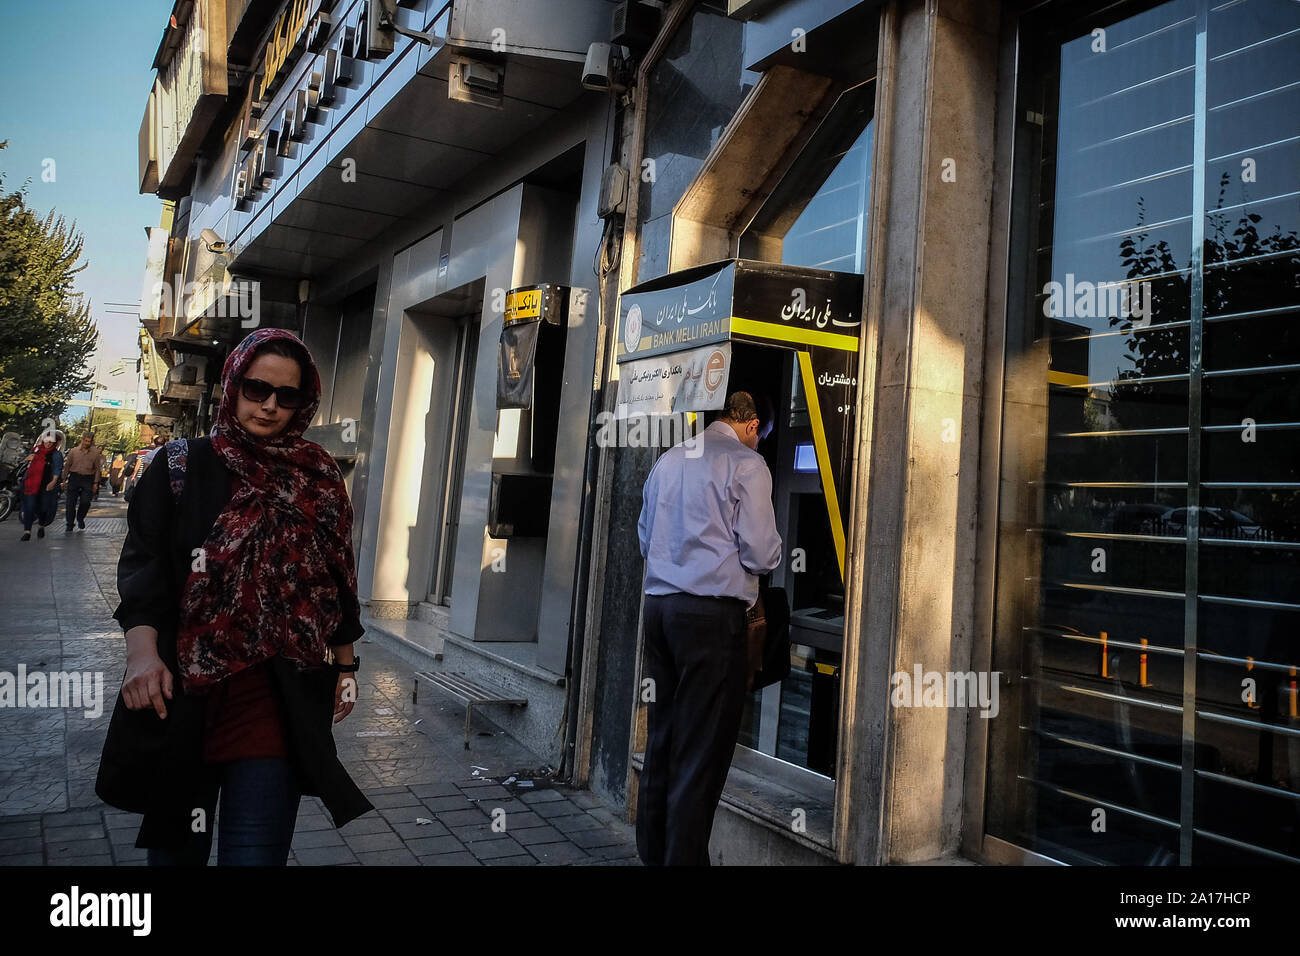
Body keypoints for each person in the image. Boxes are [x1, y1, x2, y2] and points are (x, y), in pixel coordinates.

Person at [97, 328, 373, 865]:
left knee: (254, 857)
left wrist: (346, 668)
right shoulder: (181, 466)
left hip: (276, 696)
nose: (269, 406)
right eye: (256, 389)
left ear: (304, 402)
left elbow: (336, 579)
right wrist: (141, 654)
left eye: (287, 396)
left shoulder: (317, 477)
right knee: (178, 855)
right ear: (232, 386)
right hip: (183, 694)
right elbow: (145, 570)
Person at [635, 391, 783, 865]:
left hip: (659, 611)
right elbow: (761, 552)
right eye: (759, 436)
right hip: (710, 620)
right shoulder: (747, 464)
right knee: (701, 751)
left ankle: (653, 852)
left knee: (665, 736)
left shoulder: (669, 459)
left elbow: (644, 537)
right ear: (752, 425)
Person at [18, 430, 64, 541]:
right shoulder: (36, 450)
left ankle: (41, 526)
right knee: (30, 506)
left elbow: (57, 469)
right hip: (31, 483)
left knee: (43, 508)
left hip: (46, 484)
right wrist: (28, 459)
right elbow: (25, 462)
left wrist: (53, 482)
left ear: (54, 443)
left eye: (50, 442)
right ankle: (27, 532)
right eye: (46, 440)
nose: (47, 443)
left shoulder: (56, 455)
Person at [62, 432, 103, 531]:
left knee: (85, 501)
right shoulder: (74, 451)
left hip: (88, 478)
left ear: (92, 441)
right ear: (82, 440)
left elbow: (98, 469)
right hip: (74, 477)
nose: (87, 443)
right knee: (70, 502)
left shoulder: (95, 453)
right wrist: (63, 480)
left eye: (89, 441)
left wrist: (96, 483)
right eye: (86, 441)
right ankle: (70, 523)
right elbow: (67, 466)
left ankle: (80, 518)